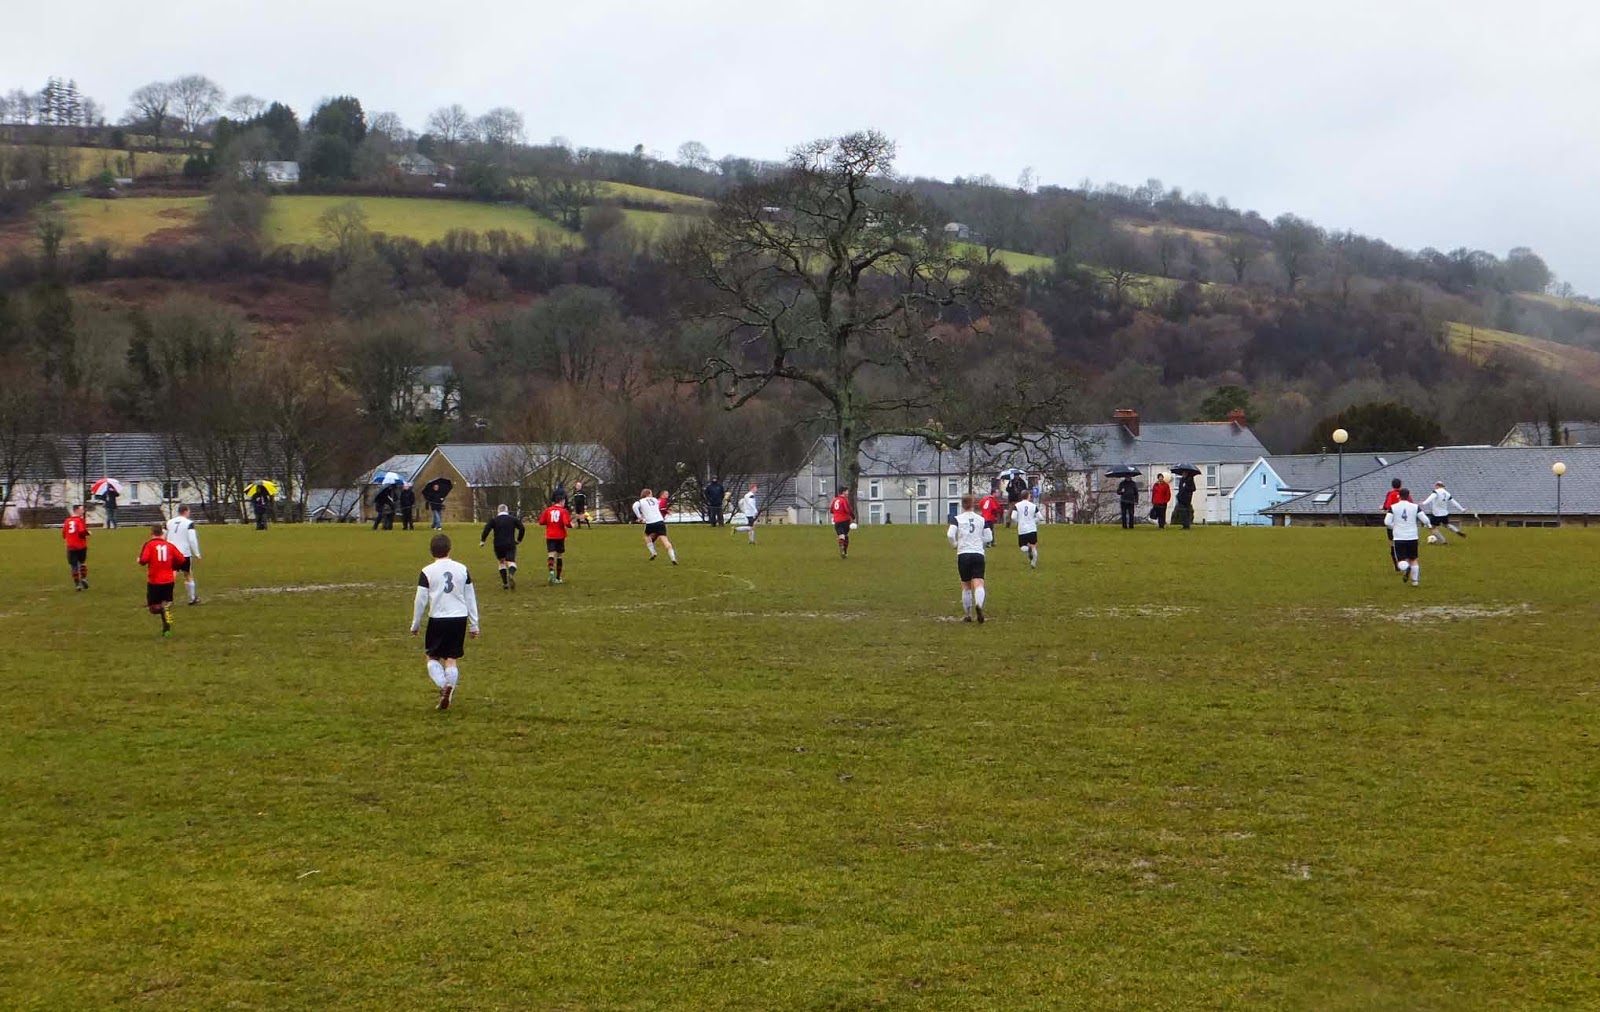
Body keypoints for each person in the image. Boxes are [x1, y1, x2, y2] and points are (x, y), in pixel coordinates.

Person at [410, 533, 480, 711]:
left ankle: (444, 687)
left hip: (438, 618)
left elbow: (420, 600)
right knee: (451, 659)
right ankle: (449, 689)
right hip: (459, 618)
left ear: (431, 551)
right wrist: (474, 624)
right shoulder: (462, 569)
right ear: (449, 549)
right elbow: (470, 597)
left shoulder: (427, 571)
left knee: (432, 656)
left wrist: (415, 624)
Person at [948, 495, 993, 623]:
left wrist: (955, 544)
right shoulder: (981, 519)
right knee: (979, 582)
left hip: (963, 554)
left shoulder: (957, 519)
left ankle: (968, 614)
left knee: (966, 585)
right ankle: (979, 604)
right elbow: (989, 537)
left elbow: (950, 534)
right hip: (978, 553)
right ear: (974, 505)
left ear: (962, 506)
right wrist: (979, 541)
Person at [137, 524, 186, 638]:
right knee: (166, 604)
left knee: (153, 608)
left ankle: (162, 612)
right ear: (162, 533)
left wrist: (139, 560)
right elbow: (181, 559)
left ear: (152, 533)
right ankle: (167, 629)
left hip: (154, 581)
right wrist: (173, 566)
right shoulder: (169, 545)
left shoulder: (149, 545)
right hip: (169, 580)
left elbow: (143, 560)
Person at [1385, 488, 1432, 587]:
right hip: (1412, 537)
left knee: (1401, 560)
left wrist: (1394, 526)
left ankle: (1406, 568)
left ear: (1399, 496)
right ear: (1409, 496)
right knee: (1413, 559)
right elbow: (1425, 520)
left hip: (1399, 537)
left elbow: (1387, 522)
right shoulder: (1415, 507)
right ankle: (1415, 581)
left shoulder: (1393, 507)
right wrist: (1427, 525)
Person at [479, 503, 526, 589]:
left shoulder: (494, 520)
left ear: (498, 511)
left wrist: (483, 540)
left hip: (498, 544)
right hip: (510, 543)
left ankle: (505, 583)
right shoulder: (512, 519)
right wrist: (519, 539)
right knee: (511, 562)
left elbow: (486, 529)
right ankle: (511, 574)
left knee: (501, 562)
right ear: (507, 510)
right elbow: (522, 528)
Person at [164, 504, 202, 605]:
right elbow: (192, 539)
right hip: (184, 553)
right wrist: (197, 553)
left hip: (171, 553)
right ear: (185, 511)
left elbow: (163, 535)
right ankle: (192, 598)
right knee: (188, 574)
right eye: (189, 511)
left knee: (171, 575)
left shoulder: (169, 522)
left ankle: (167, 599)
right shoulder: (189, 523)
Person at [633, 487, 677, 563]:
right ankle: (673, 558)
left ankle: (653, 552)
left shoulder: (640, 501)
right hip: (660, 521)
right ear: (648, 494)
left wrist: (639, 517)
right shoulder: (655, 500)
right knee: (665, 540)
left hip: (650, 523)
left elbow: (634, 506)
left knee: (647, 535)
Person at [536, 493, 573, 585]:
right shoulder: (563, 511)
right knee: (559, 556)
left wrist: (549, 523)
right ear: (562, 501)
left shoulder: (548, 510)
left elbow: (541, 522)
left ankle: (551, 570)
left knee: (551, 555)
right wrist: (571, 525)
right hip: (560, 536)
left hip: (550, 535)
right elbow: (566, 523)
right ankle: (558, 578)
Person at [63, 503, 90, 590]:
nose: (83, 511)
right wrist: (88, 533)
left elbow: (64, 534)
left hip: (71, 547)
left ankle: (77, 585)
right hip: (81, 546)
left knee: (74, 566)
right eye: (81, 509)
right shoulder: (79, 521)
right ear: (77, 510)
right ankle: (83, 578)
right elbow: (82, 532)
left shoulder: (67, 521)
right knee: (82, 563)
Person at [1012, 489, 1040, 569]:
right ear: (1028, 496)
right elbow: (1040, 517)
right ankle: (1033, 563)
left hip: (1022, 529)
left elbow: (1013, 517)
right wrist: (1033, 521)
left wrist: (1019, 521)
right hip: (1032, 529)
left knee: (1022, 546)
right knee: (1034, 546)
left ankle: (1028, 549)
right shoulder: (1033, 506)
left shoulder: (1017, 505)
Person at [1382, 478, 1404, 565]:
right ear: (1401, 485)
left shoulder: (1390, 494)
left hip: (1392, 521)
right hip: (1403, 521)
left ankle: (1397, 564)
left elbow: (1387, 505)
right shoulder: (1405, 494)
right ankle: (1405, 561)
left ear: (1392, 485)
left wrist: (1383, 507)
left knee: (1392, 542)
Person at [830, 486, 854, 558]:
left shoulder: (835, 500)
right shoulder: (844, 500)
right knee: (845, 536)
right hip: (845, 520)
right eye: (847, 491)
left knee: (841, 535)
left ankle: (841, 546)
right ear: (843, 492)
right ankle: (845, 552)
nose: (848, 493)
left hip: (837, 521)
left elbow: (831, 510)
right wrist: (853, 517)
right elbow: (848, 510)